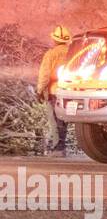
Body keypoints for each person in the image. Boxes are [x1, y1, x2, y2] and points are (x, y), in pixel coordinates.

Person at [37, 25, 72, 156]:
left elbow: (45, 74)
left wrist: (39, 90)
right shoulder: (73, 52)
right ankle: (61, 146)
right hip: (69, 92)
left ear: (55, 39)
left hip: (53, 92)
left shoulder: (51, 54)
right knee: (63, 120)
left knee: (55, 120)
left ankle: (58, 148)